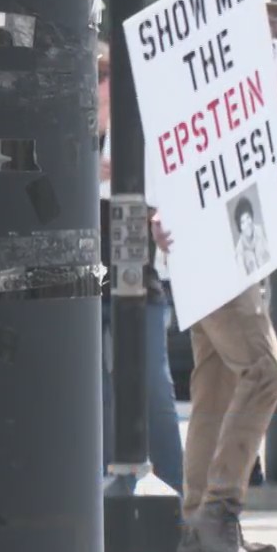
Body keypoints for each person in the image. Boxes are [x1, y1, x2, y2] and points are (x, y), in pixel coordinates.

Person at [157, 0, 277, 552]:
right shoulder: (200, 93)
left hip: (235, 255)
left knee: (216, 387)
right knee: (268, 370)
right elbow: (167, 166)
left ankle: (198, 523)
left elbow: (247, 173)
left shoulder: (248, 94)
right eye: (267, 15)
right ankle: (221, 508)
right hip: (212, 255)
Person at [99, 39, 185, 496]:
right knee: (94, 391)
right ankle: (96, 492)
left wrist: (159, 221)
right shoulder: (67, 134)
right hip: (80, 281)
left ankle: (177, 494)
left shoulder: (141, 130)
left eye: (106, 77)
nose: (103, 87)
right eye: (98, 77)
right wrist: (88, 171)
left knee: (155, 387)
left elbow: (167, 194)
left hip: (137, 274)